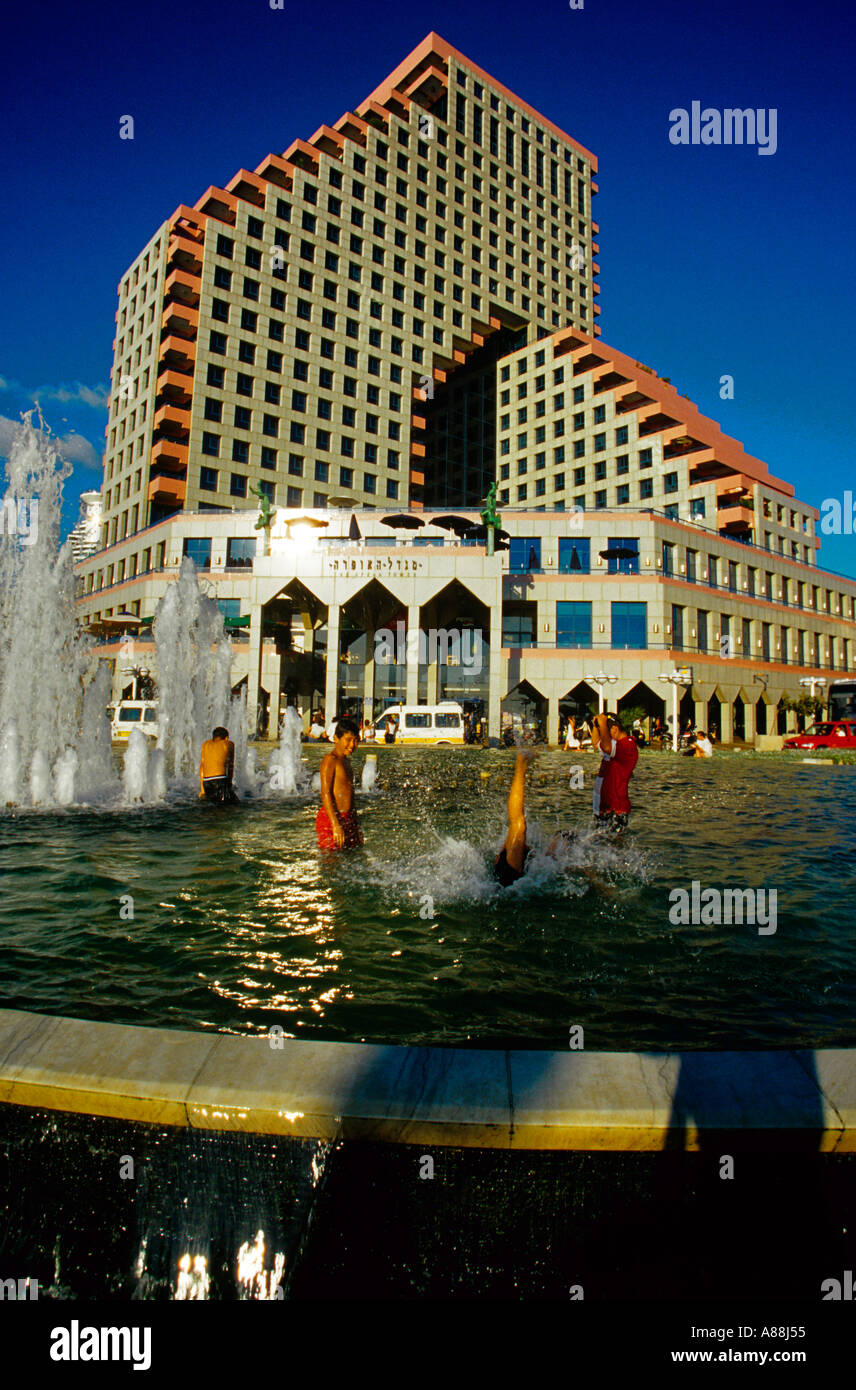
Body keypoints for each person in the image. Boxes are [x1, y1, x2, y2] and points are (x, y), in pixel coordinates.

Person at [316, 717, 364, 849]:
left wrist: (356, 823)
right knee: (331, 861)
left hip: (348, 818)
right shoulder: (330, 760)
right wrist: (335, 824)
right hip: (331, 818)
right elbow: (325, 794)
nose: (352, 745)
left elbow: (350, 795)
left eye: (355, 741)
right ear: (336, 738)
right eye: (348, 740)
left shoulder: (346, 762)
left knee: (352, 855)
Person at [591, 712, 639, 831]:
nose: (604, 735)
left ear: (615, 729)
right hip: (604, 806)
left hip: (616, 808)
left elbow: (606, 747)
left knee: (615, 844)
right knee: (601, 844)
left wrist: (602, 724)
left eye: (605, 732)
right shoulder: (615, 745)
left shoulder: (628, 745)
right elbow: (596, 743)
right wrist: (596, 726)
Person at [199, 727, 238, 802]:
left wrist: (202, 790)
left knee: (213, 806)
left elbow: (202, 766)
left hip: (206, 782)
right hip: (220, 780)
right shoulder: (228, 744)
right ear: (226, 738)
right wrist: (229, 784)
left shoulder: (205, 745)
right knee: (233, 806)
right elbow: (230, 765)